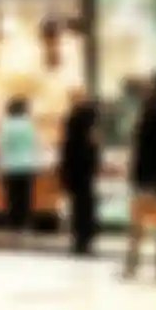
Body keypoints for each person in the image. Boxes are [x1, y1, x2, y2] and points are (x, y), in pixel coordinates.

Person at [123, 74, 156, 280]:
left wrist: (132, 172)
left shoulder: (146, 115)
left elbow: (140, 147)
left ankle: (132, 265)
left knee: (137, 221)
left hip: (145, 174)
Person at [60, 89, 100, 256]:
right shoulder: (91, 124)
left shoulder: (75, 122)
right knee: (85, 203)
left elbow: (67, 148)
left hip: (76, 169)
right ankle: (85, 237)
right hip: (85, 170)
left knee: (78, 205)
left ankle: (80, 238)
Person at [0, 97, 40, 233]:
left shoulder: (5, 125)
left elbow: (2, 145)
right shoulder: (29, 125)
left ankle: (13, 223)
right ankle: (24, 223)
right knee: (25, 197)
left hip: (9, 165)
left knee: (11, 197)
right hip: (27, 164)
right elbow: (34, 144)